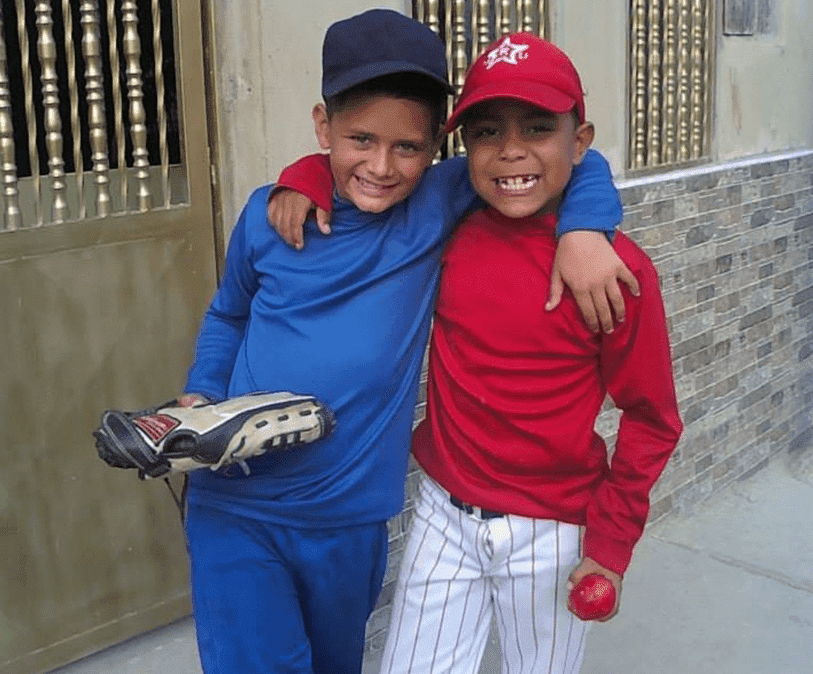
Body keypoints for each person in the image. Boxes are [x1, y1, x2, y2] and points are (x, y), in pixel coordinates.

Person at [183, 10, 634, 674]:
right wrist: (203, 392)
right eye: (359, 139)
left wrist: (585, 228)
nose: (382, 165)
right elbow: (228, 316)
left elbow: (573, 158)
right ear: (321, 127)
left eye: (408, 147)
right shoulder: (268, 216)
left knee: (337, 661)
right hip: (235, 501)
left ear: (433, 151)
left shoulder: (437, 201)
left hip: (348, 518)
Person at [375, 34, 683, 674]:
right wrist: (297, 182)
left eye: (538, 128)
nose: (511, 149)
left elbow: (652, 417)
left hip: (553, 532)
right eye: (486, 131)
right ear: (464, 150)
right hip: (443, 514)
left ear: (580, 140)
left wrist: (611, 544)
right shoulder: (447, 229)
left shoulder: (614, 272)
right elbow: (359, 178)